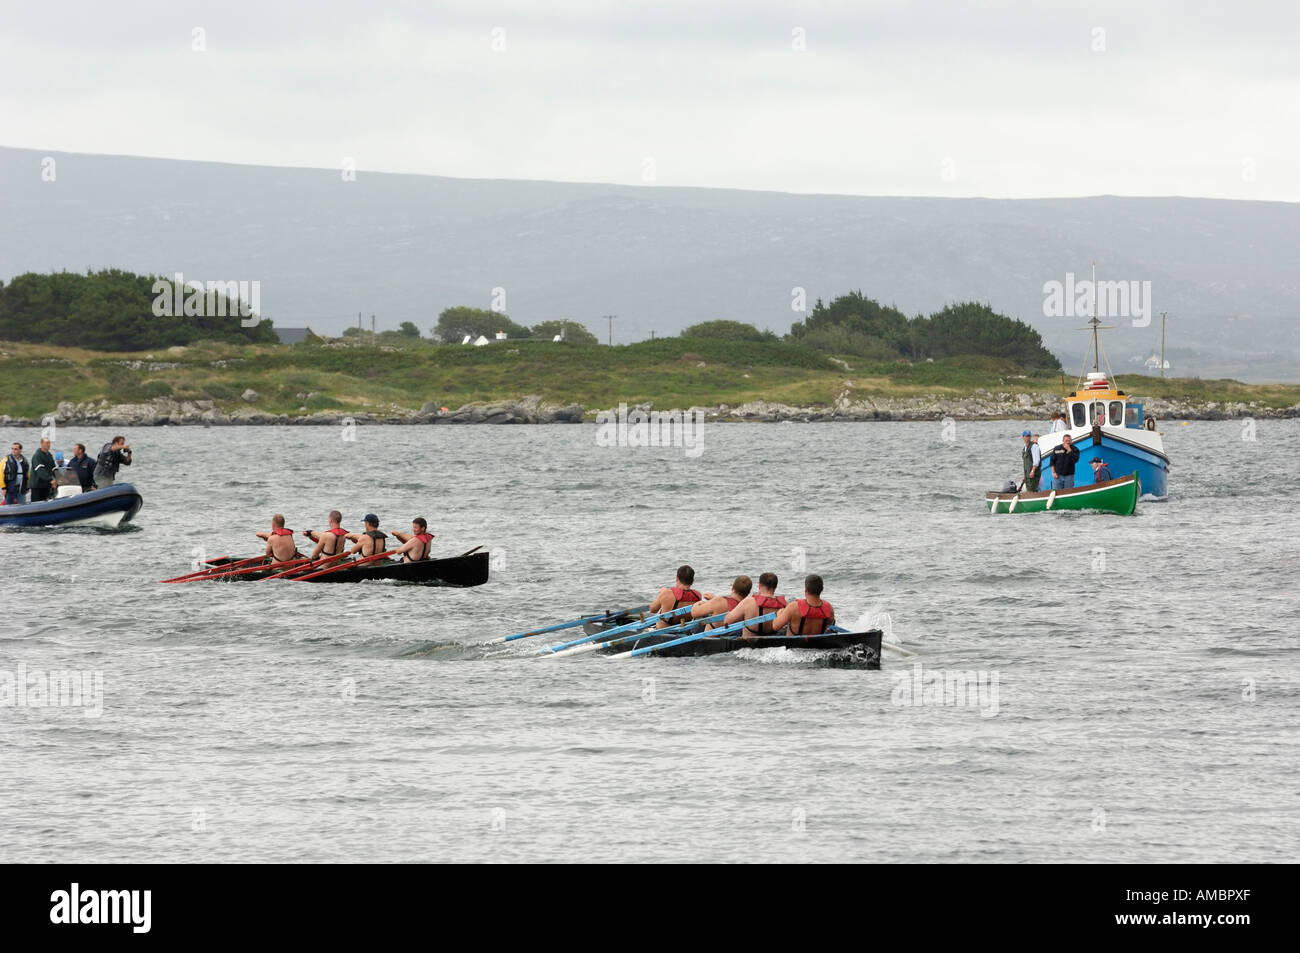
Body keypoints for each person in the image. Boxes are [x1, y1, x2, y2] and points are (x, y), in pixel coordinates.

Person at [725, 571, 787, 638]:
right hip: (773, 644)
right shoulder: (784, 605)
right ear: (775, 587)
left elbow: (727, 622)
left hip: (748, 644)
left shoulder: (748, 602)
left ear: (759, 585)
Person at [29, 438, 56, 502]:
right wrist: (50, 479)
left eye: (49, 443)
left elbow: (53, 468)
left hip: (46, 485)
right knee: (36, 504)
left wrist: (57, 478)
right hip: (37, 485)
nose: (48, 445)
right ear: (42, 444)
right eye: (46, 443)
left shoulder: (49, 455)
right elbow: (40, 470)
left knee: (46, 502)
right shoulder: (37, 456)